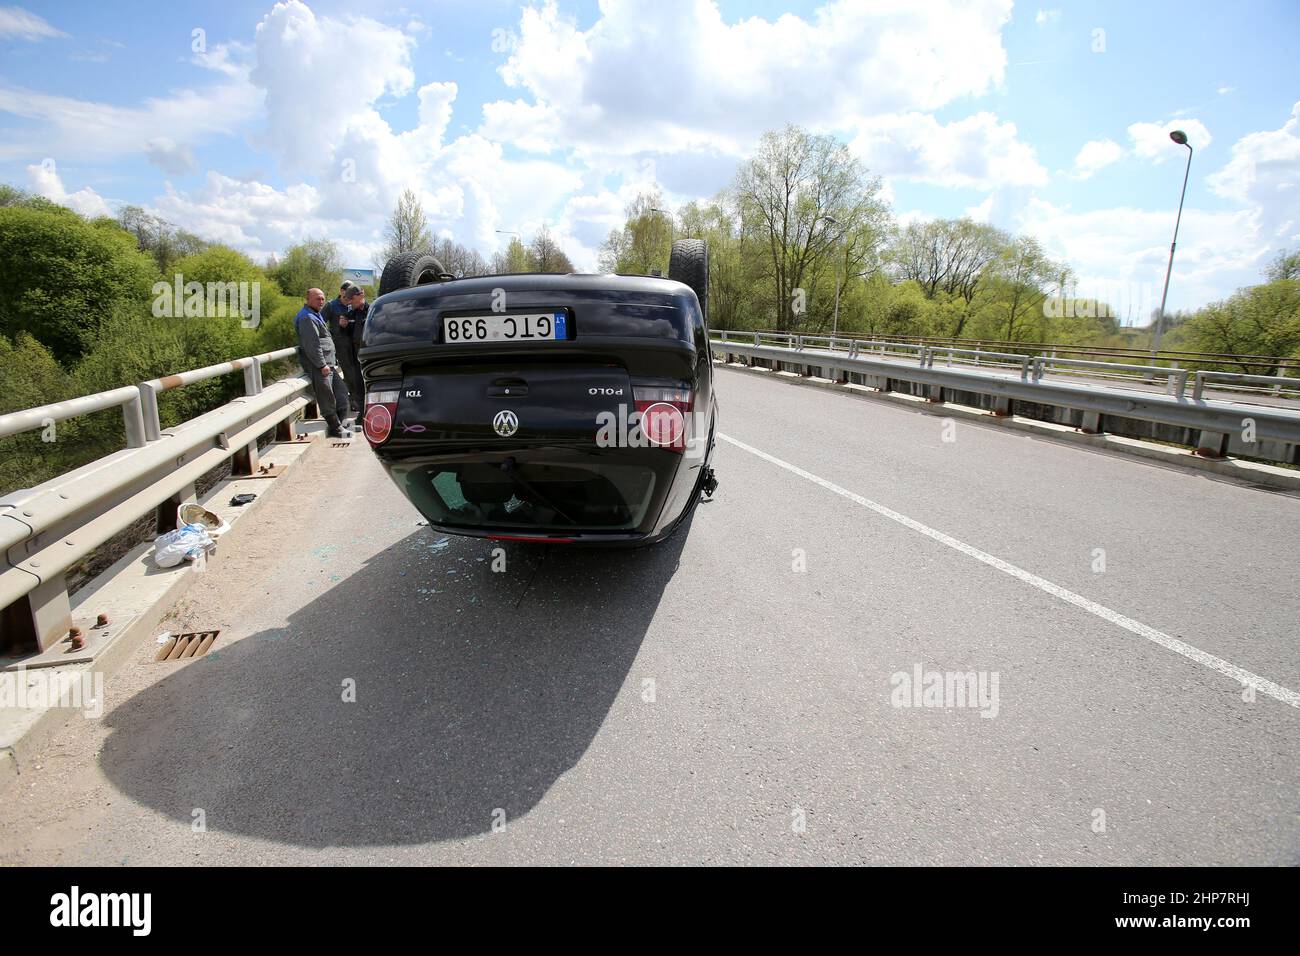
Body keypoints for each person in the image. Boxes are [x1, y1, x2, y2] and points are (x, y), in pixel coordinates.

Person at [294, 288, 351, 437]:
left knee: (342, 393)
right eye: (317, 299)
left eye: (322, 299)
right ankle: (336, 428)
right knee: (327, 397)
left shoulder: (315, 315)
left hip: (329, 363)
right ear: (308, 299)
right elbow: (312, 345)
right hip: (319, 366)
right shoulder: (307, 318)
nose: (321, 301)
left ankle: (341, 424)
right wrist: (321, 365)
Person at [322, 280, 362, 406]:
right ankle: (355, 400)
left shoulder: (353, 305)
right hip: (340, 346)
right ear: (341, 291)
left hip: (355, 344)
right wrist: (329, 337)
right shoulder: (331, 306)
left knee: (357, 371)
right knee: (349, 372)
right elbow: (320, 323)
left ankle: (353, 397)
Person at [338, 285, 369, 411]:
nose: (349, 302)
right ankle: (362, 414)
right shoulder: (350, 314)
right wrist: (343, 327)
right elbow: (346, 337)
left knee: (371, 385)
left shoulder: (373, 311)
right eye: (348, 299)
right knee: (359, 386)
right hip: (356, 357)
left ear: (361, 295)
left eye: (351, 298)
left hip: (370, 357)